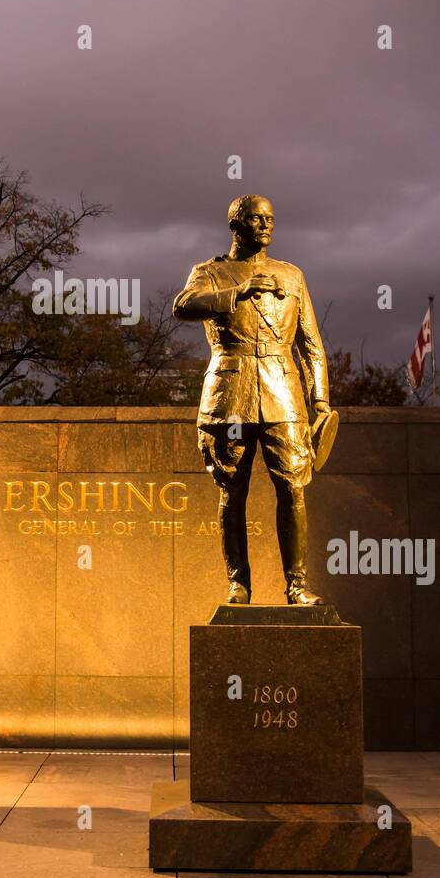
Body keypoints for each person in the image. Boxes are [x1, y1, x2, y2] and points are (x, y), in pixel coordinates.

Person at [173, 194, 331, 605]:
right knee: (232, 492)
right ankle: (238, 584)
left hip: (283, 396)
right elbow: (182, 306)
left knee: (293, 489)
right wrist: (236, 293)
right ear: (235, 225)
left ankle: (297, 586)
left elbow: (311, 344)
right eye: (256, 219)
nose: (265, 225)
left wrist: (321, 402)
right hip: (230, 394)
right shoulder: (210, 272)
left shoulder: (292, 275)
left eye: (270, 219)